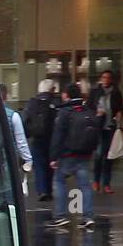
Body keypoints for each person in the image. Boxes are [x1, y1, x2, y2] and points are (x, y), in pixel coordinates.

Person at [46, 84, 99, 229]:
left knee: (59, 182)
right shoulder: (87, 110)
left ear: (66, 95)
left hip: (67, 154)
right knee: (85, 186)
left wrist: (53, 157)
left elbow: (58, 136)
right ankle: (88, 217)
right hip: (84, 154)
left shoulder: (64, 112)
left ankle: (60, 215)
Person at [87, 70, 123, 194]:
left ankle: (107, 183)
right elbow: (88, 108)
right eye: (104, 77)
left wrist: (118, 118)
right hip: (98, 127)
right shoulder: (95, 92)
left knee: (109, 156)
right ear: (101, 78)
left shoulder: (115, 93)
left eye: (108, 78)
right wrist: (96, 114)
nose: (106, 80)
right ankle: (96, 181)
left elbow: (120, 109)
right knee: (98, 155)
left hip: (110, 127)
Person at [22, 79, 58, 201]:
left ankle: (42, 190)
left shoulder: (32, 103)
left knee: (39, 165)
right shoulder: (55, 102)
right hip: (52, 138)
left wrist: (27, 134)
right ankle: (48, 189)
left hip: (36, 138)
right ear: (52, 89)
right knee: (50, 164)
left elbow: (26, 120)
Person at [0, 83, 33, 168]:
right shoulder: (13, 116)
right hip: (7, 159)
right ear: (6, 96)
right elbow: (21, 142)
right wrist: (28, 160)